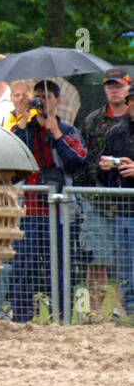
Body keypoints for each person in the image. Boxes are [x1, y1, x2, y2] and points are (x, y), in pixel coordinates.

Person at [8, 80, 86, 323]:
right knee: (24, 266)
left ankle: (62, 317)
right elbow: (12, 155)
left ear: (58, 100)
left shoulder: (68, 131)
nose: (43, 102)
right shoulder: (26, 129)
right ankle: (22, 319)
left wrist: (56, 133)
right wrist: (22, 119)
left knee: (61, 267)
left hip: (59, 211)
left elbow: (78, 163)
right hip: (29, 211)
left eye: (48, 97)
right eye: (38, 97)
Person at [77, 69, 131, 310]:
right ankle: (96, 313)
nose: (114, 89)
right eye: (109, 85)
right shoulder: (92, 120)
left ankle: (123, 308)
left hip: (127, 204)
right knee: (97, 259)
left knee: (125, 260)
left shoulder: (129, 123)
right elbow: (83, 157)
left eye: (118, 85)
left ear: (128, 88)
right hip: (97, 200)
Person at [88, 106, 134, 314]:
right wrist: (106, 166)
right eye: (131, 101)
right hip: (123, 210)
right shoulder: (117, 132)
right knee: (124, 268)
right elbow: (100, 170)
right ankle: (129, 312)